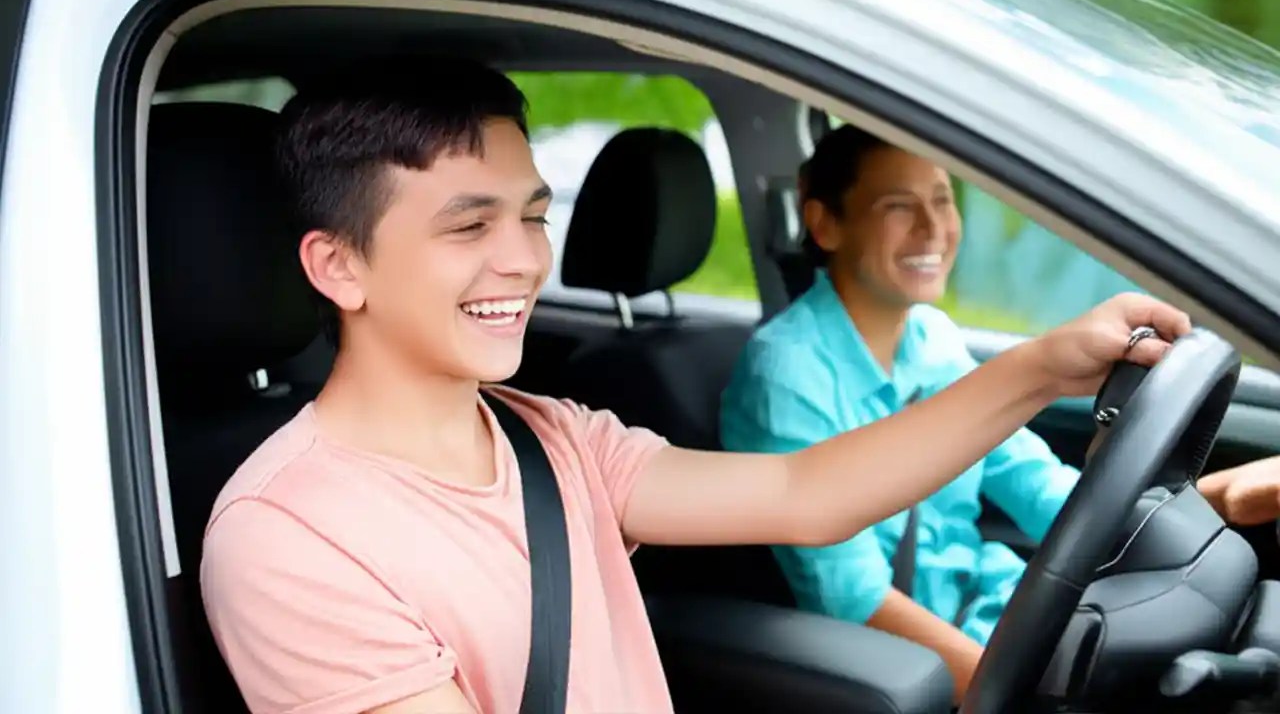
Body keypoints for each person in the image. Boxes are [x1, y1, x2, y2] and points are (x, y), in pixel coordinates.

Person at [199, 63, 1194, 714]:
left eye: (533, 217)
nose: (521, 261)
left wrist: (1040, 367)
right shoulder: (287, 538)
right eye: (468, 227)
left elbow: (801, 496)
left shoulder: (554, 437)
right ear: (338, 268)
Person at [719, 124, 1280, 701]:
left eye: (942, 199)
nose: (934, 228)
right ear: (825, 225)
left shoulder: (932, 339)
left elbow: (1048, 496)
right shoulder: (784, 373)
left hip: (999, 614)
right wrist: (1005, 689)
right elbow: (852, 597)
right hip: (911, 673)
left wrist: (1228, 496)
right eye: (898, 206)